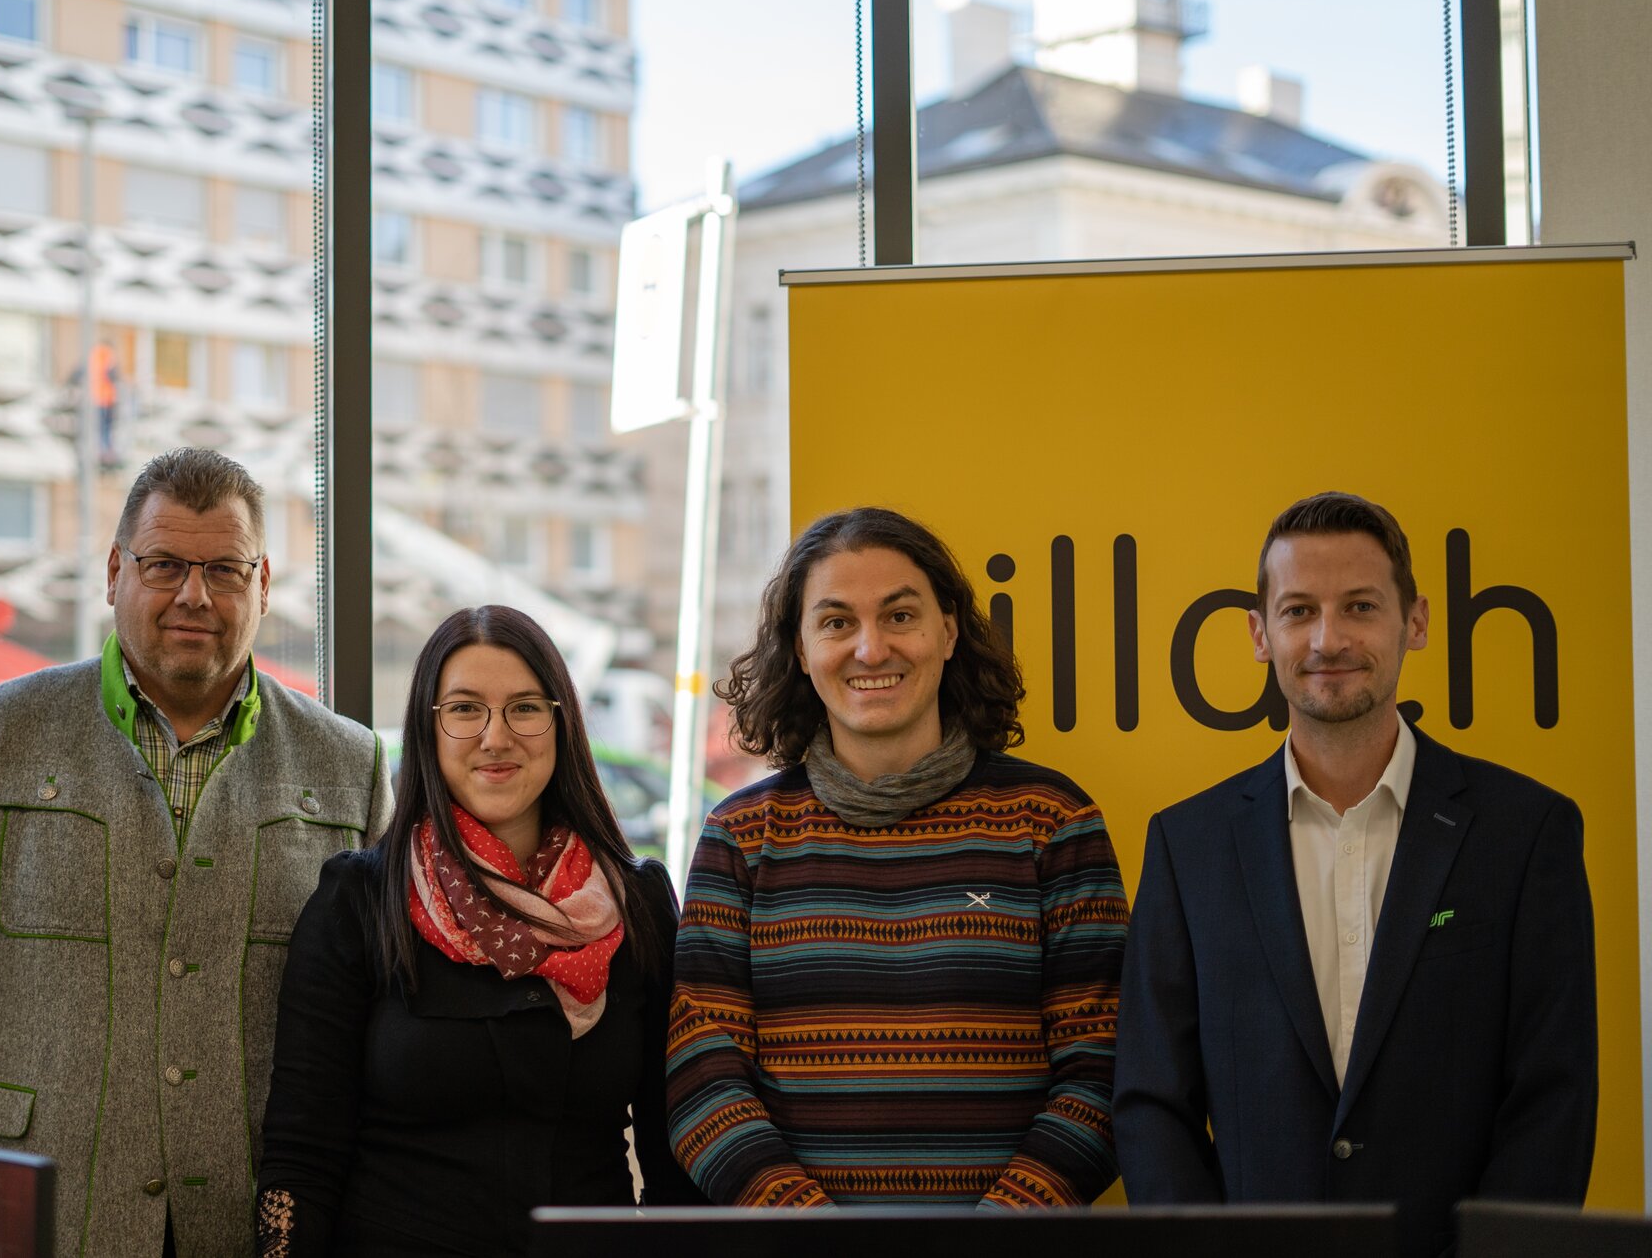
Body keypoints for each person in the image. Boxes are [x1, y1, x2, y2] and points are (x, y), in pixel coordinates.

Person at [0, 448, 393, 1257]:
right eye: (165, 565)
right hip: (26, 1219)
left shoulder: (349, 767)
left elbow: (383, 1033)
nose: (194, 594)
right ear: (117, 572)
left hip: (251, 1227)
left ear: (263, 585)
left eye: (225, 570)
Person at [1113, 492, 1598, 1257]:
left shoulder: (1527, 832)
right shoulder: (1188, 845)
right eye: (1299, 610)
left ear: (1416, 621)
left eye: (1360, 606)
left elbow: (1553, 1099)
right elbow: (1151, 1103)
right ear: (1260, 633)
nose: (1328, 638)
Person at [668, 507, 1127, 1209]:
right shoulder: (742, 837)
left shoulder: (1052, 821)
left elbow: (1103, 1070)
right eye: (836, 622)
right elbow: (703, 1082)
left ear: (948, 631)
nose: (870, 648)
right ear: (800, 649)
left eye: (900, 616)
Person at [255, 605, 699, 1255]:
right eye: (465, 709)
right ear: (428, 728)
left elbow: (672, 1153)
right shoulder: (360, 900)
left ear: (561, 723)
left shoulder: (637, 905)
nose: (496, 736)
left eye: (525, 708)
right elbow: (302, 1156)